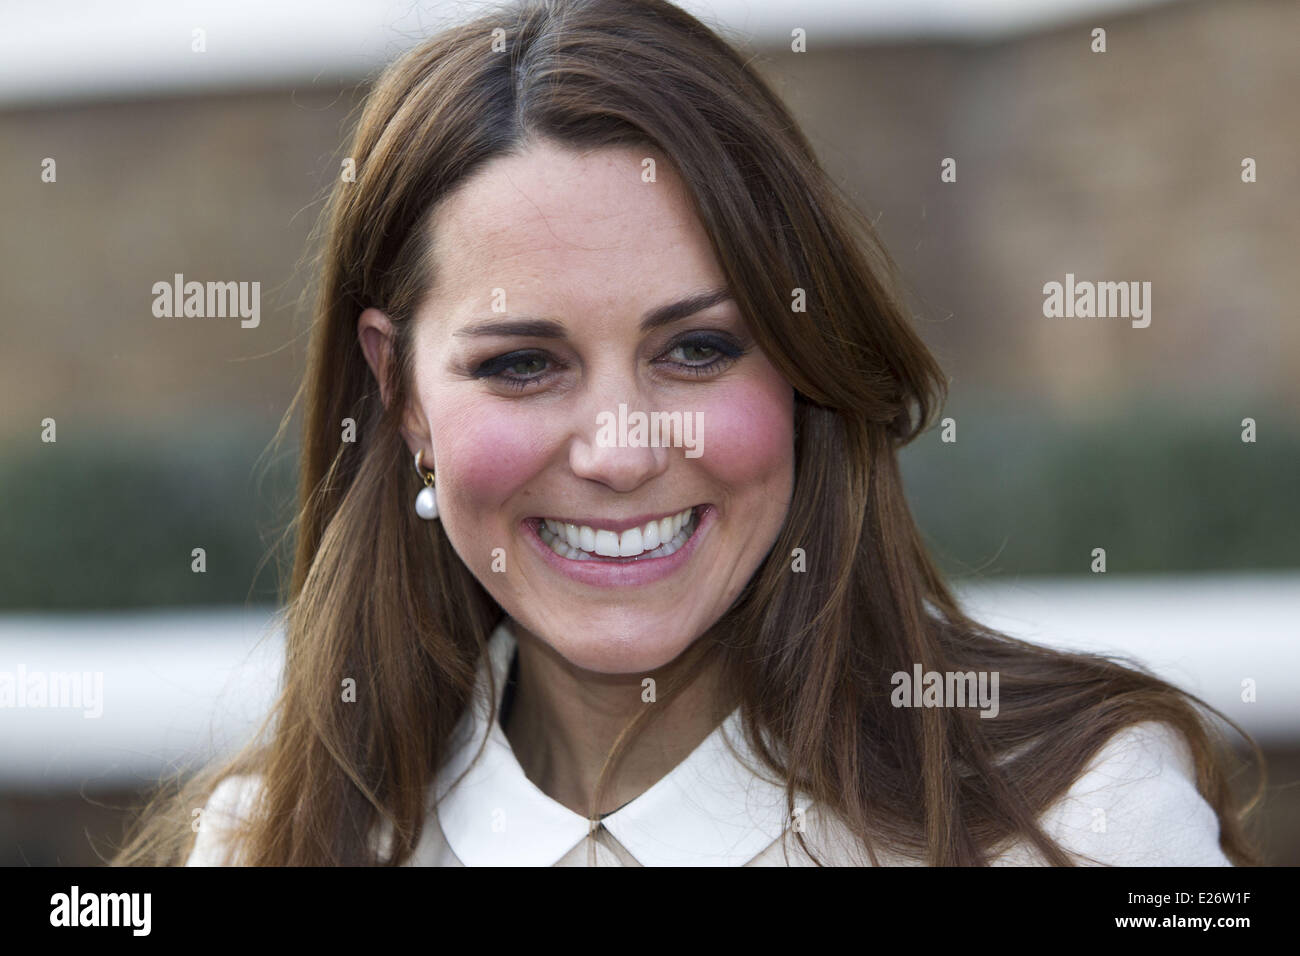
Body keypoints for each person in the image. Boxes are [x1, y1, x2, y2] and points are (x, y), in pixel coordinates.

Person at [115, 0, 1261, 866]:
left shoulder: (1078, 814)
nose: (617, 450)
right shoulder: (275, 839)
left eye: (697, 349)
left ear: (806, 357)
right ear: (400, 391)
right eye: (522, 363)